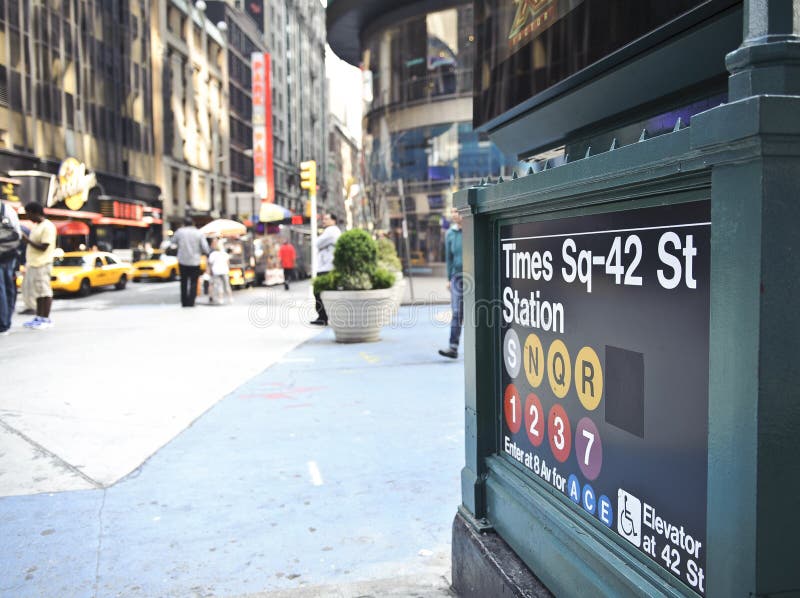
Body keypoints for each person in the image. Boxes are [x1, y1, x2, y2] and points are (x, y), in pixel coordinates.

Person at [20, 202, 57, 330]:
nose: (27, 216)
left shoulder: (48, 227)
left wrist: (26, 240)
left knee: (45, 292)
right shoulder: (37, 226)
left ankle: (45, 319)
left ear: (35, 212)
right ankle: (39, 317)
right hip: (34, 263)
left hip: (43, 263)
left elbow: (43, 247)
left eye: (28, 213)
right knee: (38, 293)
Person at [439, 209, 463, 359]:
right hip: (457, 278)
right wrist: (448, 278)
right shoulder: (450, 234)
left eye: (458, 211)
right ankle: (453, 347)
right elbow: (449, 259)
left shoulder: (472, 229)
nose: (455, 214)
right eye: (453, 211)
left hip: (474, 277)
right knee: (456, 312)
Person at [310, 213, 341, 325]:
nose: (324, 221)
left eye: (326, 219)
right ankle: (323, 316)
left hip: (327, 268)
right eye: (323, 219)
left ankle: (322, 317)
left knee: (318, 291)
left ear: (334, 221)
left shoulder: (332, 231)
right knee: (323, 292)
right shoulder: (332, 231)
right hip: (328, 267)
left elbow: (317, 243)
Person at [171, 216, 209, 307]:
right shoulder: (198, 233)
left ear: (184, 224)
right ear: (193, 224)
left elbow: (172, 242)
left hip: (182, 260)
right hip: (195, 261)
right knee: (194, 282)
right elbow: (205, 248)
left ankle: (184, 302)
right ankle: (191, 302)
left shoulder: (179, 232)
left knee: (183, 282)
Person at [0, 200, 21, 335]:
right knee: (8, 287)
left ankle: (3, 323)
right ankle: (6, 321)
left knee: (2, 288)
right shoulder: (7, 209)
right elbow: (17, 234)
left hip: (4, 252)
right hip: (10, 252)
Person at [207, 238, 233, 305]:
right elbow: (228, 263)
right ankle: (230, 298)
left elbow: (210, 263)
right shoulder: (225, 254)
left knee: (219, 285)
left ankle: (221, 299)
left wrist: (209, 271)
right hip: (224, 271)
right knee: (227, 285)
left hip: (216, 271)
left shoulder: (213, 254)